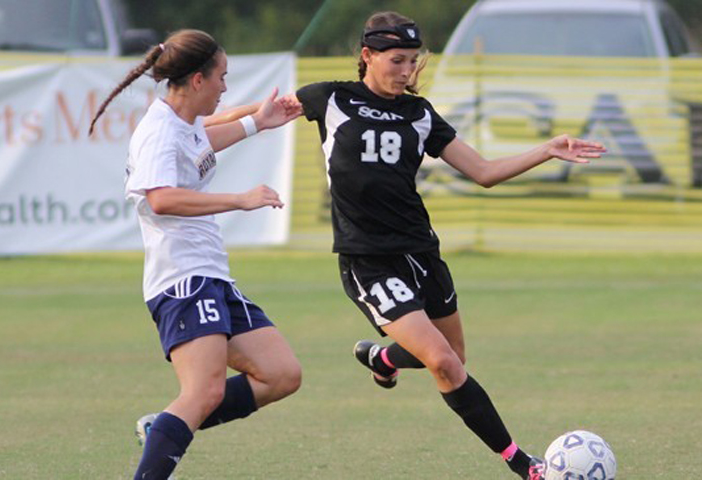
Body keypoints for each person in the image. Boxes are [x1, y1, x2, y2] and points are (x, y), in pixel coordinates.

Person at [281, 11, 606, 480]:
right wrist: (196, 130)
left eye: (414, 61)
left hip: (422, 253)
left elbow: (484, 173)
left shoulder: (420, 114)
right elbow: (259, 116)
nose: (407, 71)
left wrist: (546, 150)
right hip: (368, 261)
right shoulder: (330, 99)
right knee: (443, 365)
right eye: (397, 60)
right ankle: (524, 465)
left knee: (454, 357)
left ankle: (383, 357)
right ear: (367, 56)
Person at [89, 29, 303, 480]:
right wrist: (239, 199)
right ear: (197, 80)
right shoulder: (158, 133)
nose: (226, 87)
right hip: (182, 279)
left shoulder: (181, 122)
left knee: (281, 373)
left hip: (210, 274)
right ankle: (167, 434)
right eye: (222, 77)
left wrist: (260, 121)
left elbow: (204, 137)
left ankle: (166, 427)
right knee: (202, 392)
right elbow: (162, 198)